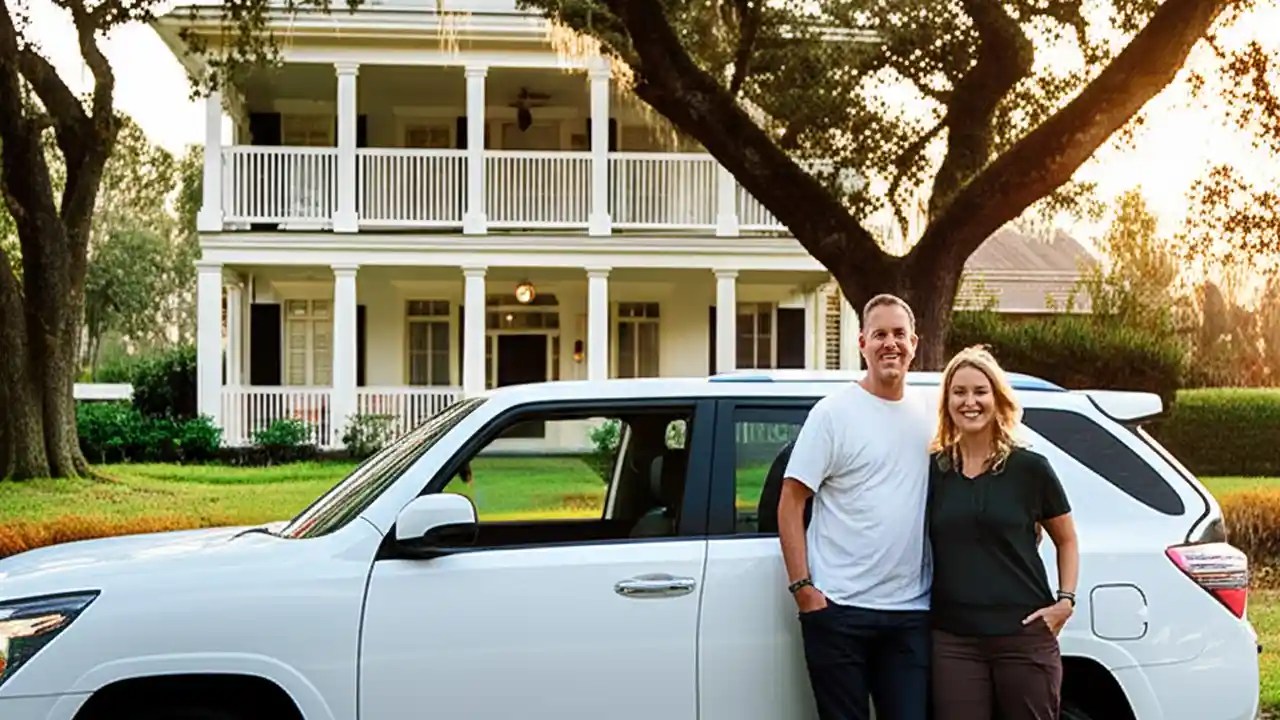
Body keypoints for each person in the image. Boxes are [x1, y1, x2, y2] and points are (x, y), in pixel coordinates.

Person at [778, 293, 935, 720]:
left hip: (910, 614)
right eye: (880, 334)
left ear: (914, 343)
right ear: (862, 342)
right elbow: (791, 501)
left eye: (899, 334)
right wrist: (803, 590)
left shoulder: (934, 414)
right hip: (838, 610)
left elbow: (991, 449)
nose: (891, 344)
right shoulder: (833, 414)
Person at [926, 345, 1080, 720]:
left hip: (1023, 635)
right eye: (959, 392)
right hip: (954, 640)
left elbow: (1067, 538)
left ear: (997, 398)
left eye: (980, 391)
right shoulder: (933, 470)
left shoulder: (1030, 468)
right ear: (947, 401)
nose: (969, 402)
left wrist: (1065, 601)